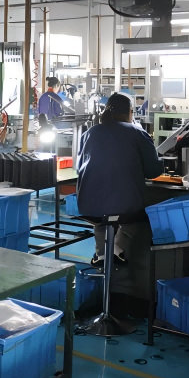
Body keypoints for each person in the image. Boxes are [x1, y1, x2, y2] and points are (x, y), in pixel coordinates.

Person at [74, 93, 163, 258]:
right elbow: (153, 171)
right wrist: (161, 161)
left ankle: (102, 255)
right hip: (124, 207)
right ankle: (117, 250)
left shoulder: (89, 133)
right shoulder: (138, 133)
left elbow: (78, 167)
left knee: (102, 218)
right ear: (130, 112)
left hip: (88, 206)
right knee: (142, 218)